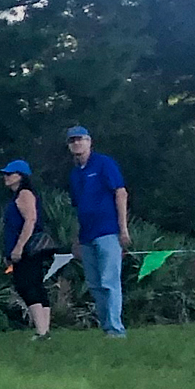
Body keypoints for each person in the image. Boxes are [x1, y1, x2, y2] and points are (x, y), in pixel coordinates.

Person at [66, 126, 131, 338]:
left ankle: (115, 328)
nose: (76, 143)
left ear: (89, 141)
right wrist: (76, 239)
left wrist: (123, 229)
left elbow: (120, 193)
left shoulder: (104, 163)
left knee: (109, 281)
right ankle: (107, 327)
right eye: (72, 140)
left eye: (80, 139)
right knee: (94, 285)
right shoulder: (75, 174)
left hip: (108, 231)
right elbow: (77, 208)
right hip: (86, 235)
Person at [1, 159, 56, 341]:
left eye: (10, 174)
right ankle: (44, 330)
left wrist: (18, 247)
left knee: (26, 285)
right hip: (27, 248)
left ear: (21, 176)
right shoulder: (19, 195)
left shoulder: (24, 194)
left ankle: (41, 330)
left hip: (27, 249)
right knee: (35, 285)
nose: (6, 177)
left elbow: (30, 220)